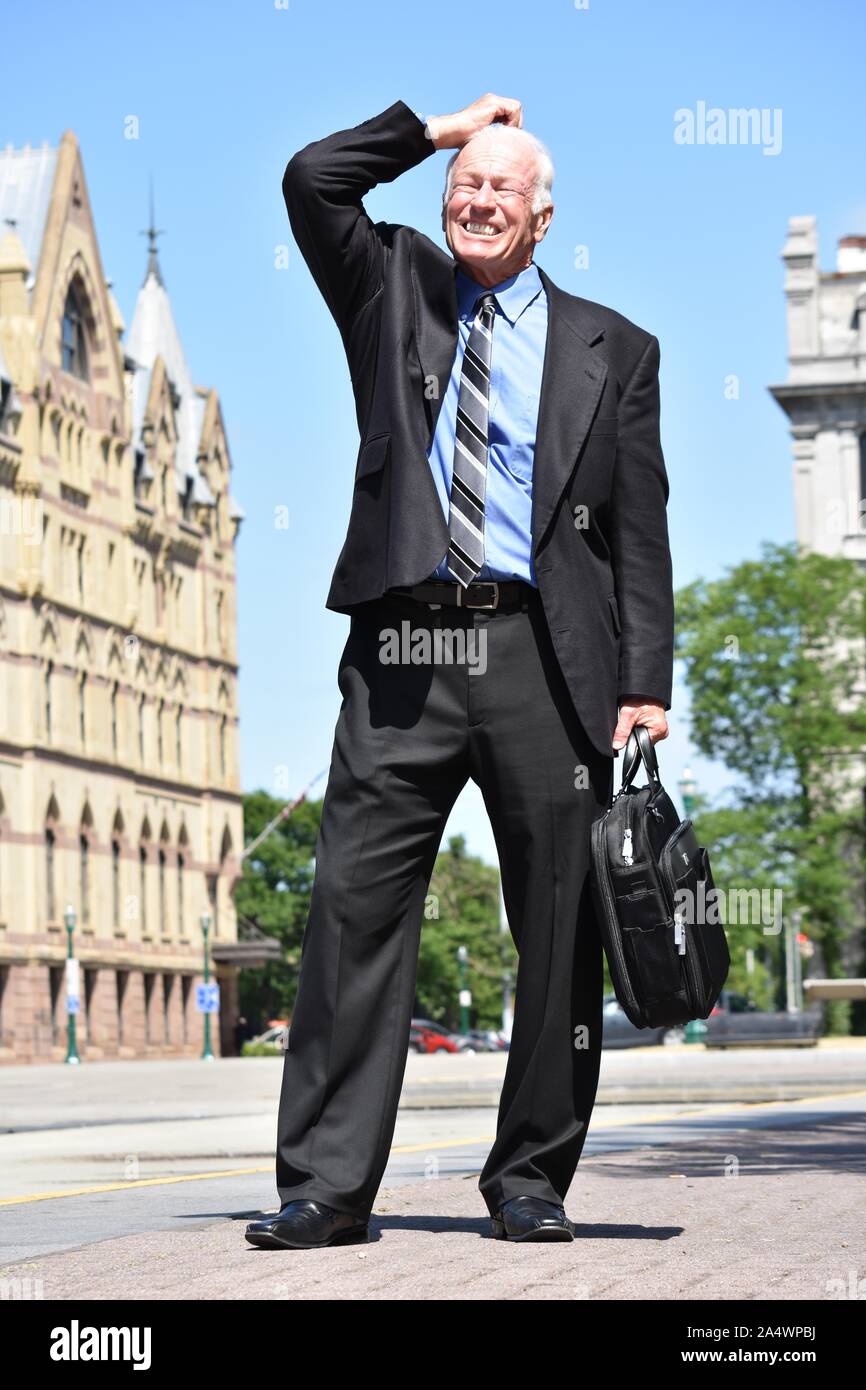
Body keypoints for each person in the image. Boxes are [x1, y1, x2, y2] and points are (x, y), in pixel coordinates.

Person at [246, 93, 674, 1250]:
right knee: (350, 907)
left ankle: (529, 1178)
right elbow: (311, 177)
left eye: (499, 189)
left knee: (556, 918)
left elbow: (635, 530)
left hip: (545, 651)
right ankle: (327, 1189)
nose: (476, 202)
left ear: (542, 217)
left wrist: (647, 679)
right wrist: (435, 130)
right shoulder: (393, 288)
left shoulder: (615, 348)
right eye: (462, 189)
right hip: (401, 645)